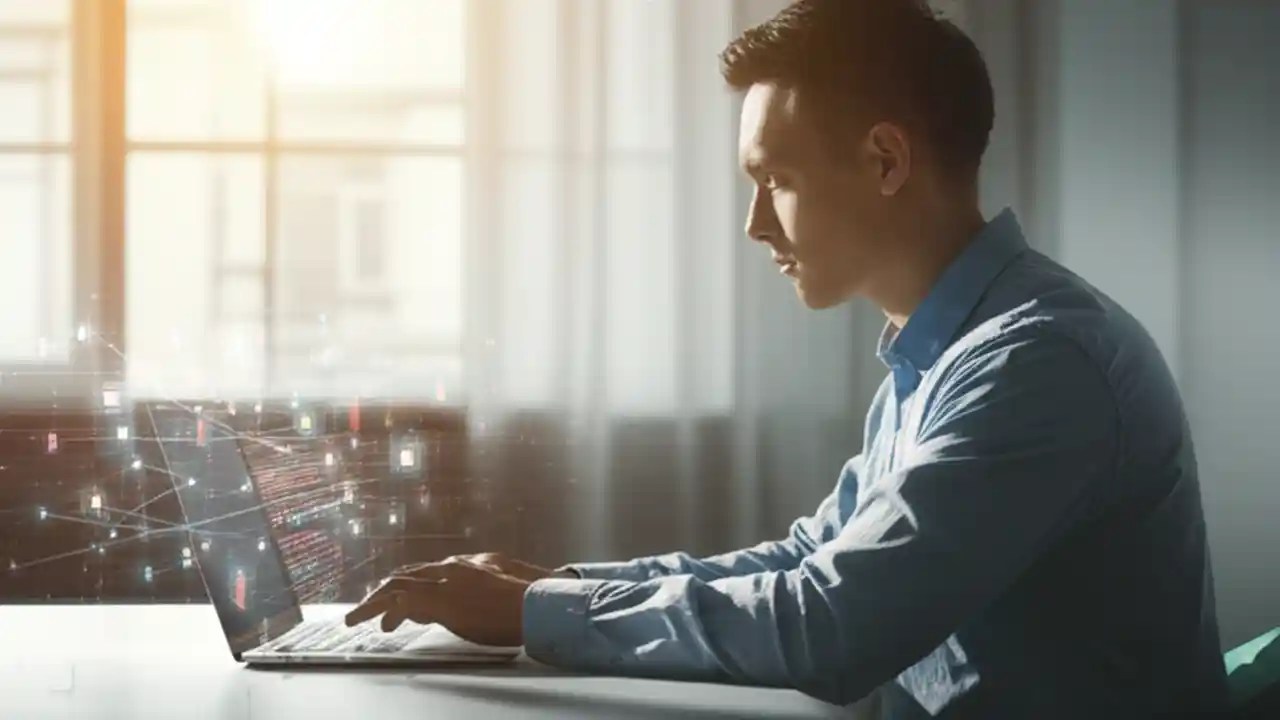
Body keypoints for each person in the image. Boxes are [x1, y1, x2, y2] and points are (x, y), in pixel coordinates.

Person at [345, 1, 1229, 716]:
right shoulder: (948, 357)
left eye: (775, 179)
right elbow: (816, 558)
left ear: (886, 160)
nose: (755, 224)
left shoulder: (1038, 364)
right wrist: (560, 584)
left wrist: (539, 613)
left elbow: (832, 624)